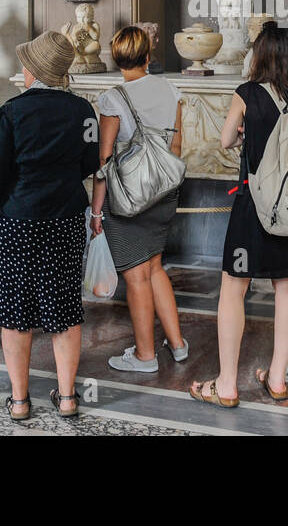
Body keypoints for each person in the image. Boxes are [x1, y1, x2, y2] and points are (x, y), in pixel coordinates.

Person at [190, 22, 288, 408]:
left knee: (234, 286)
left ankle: (227, 385)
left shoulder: (247, 93)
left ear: (260, 54)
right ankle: (277, 379)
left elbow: (227, 139)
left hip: (255, 205)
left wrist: (248, 135)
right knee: (287, 287)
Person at [0, 31, 99, 420]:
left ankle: (19, 401)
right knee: (65, 307)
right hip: (65, 218)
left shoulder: (13, 112)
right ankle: (67, 398)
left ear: (32, 71)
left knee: (16, 310)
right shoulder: (82, 109)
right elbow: (88, 164)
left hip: (18, 219)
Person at [89, 25, 188, 372]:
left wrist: (96, 211)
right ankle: (177, 345)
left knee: (136, 276)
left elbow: (104, 161)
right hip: (164, 191)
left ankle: (146, 356)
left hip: (128, 198)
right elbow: (175, 147)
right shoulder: (170, 89)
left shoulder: (113, 98)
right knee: (155, 267)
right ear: (148, 57)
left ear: (116, 59)